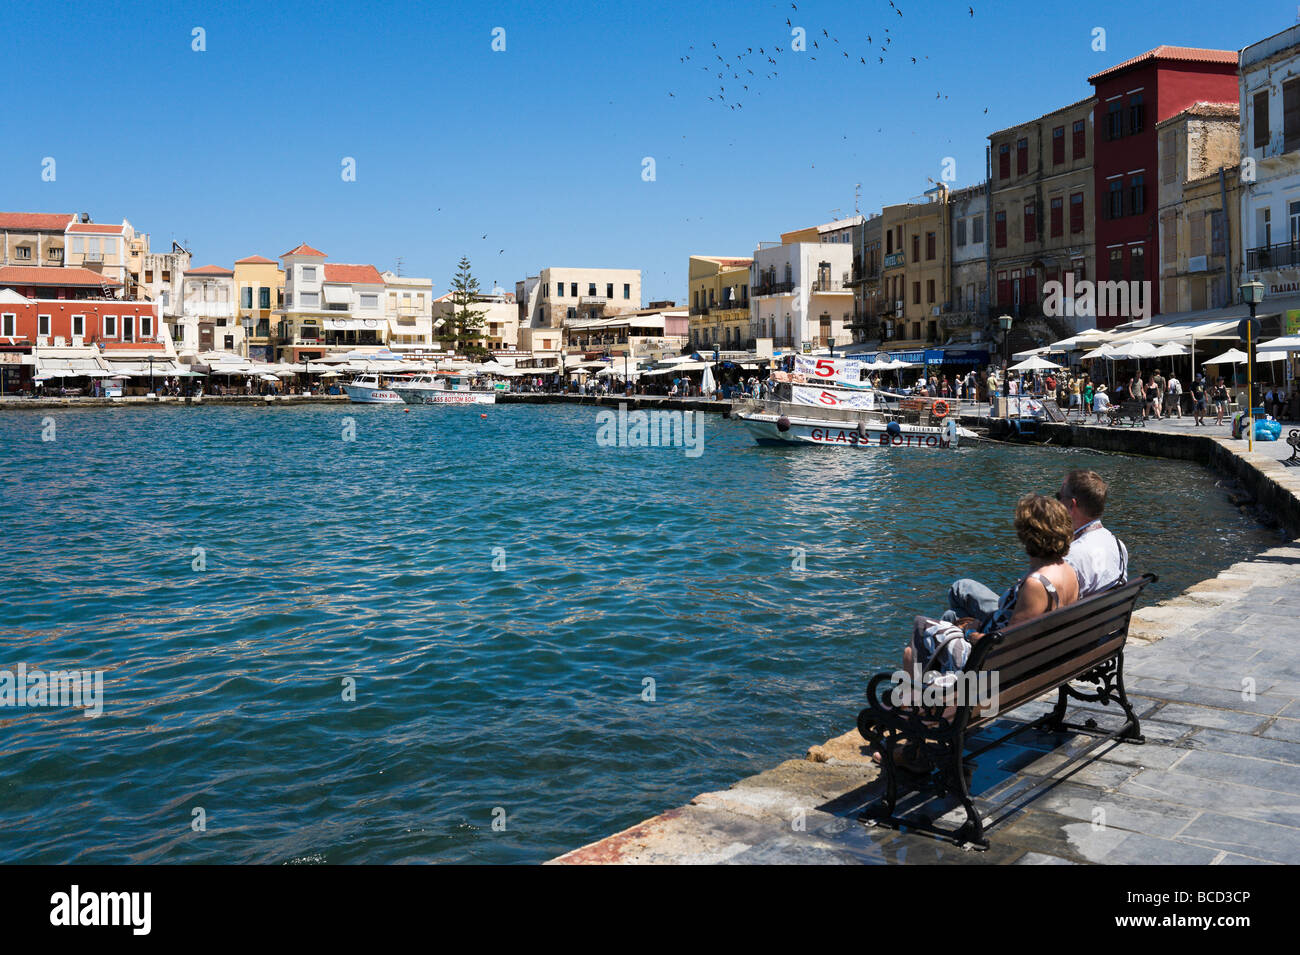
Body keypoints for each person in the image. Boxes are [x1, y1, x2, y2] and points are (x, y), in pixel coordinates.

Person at [920, 494, 1081, 679]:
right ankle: (933, 688)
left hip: (1005, 670)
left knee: (922, 633)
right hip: (1044, 654)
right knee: (950, 617)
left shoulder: (1036, 584)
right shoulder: (1068, 570)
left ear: (1027, 534)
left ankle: (923, 701)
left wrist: (972, 633)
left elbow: (1009, 648)